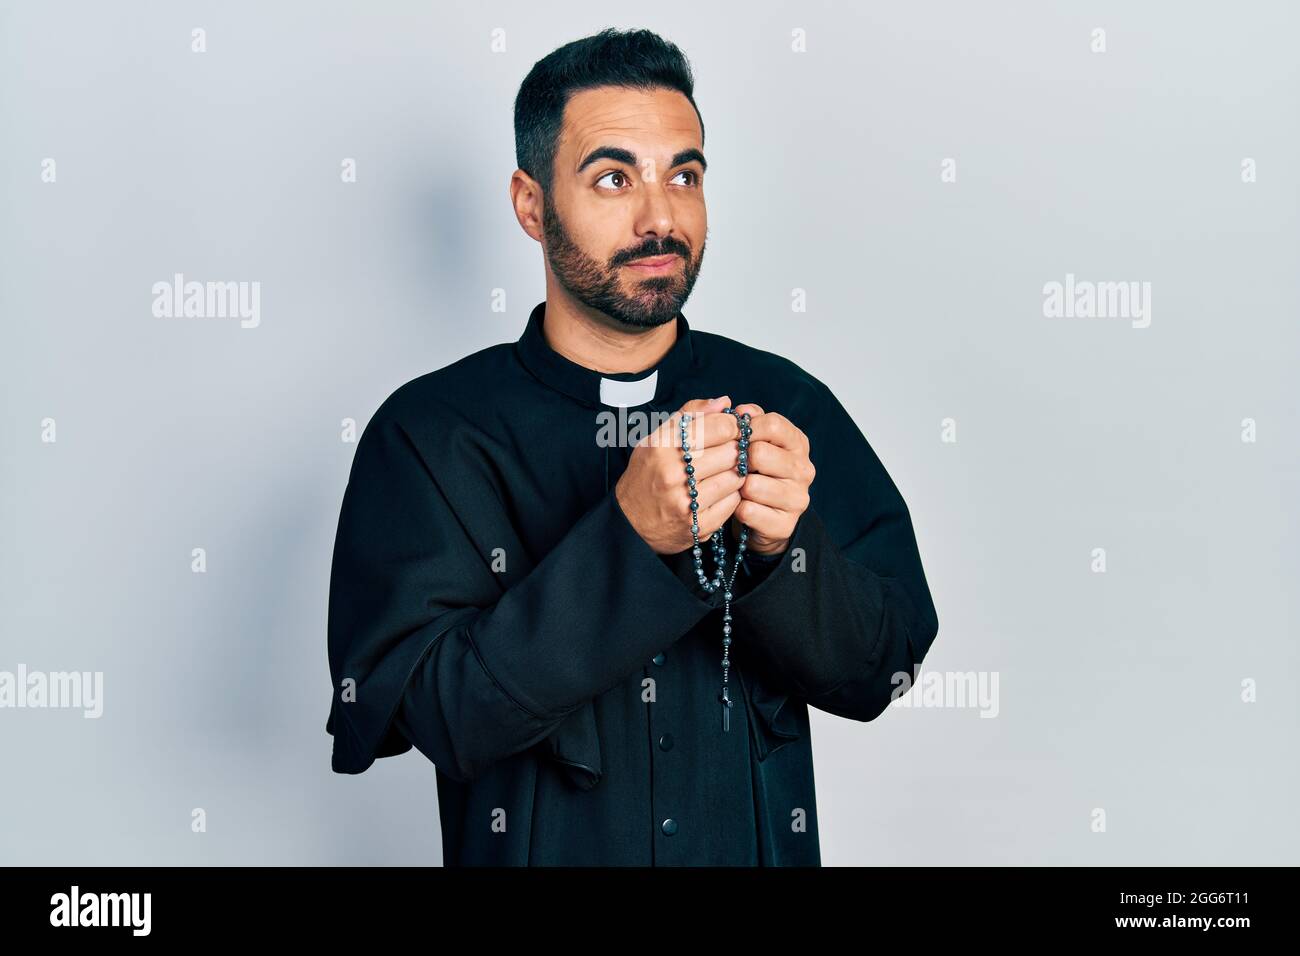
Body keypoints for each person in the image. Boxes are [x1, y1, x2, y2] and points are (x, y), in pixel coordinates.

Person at [325, 27, 939, 866]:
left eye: (683, 176)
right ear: (531, 203)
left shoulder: (787, 406)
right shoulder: (429, 436)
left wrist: (782, 555)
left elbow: (883, 671)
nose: (660, 217)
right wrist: (630, 541)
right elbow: (443, 717)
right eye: (614, 178)